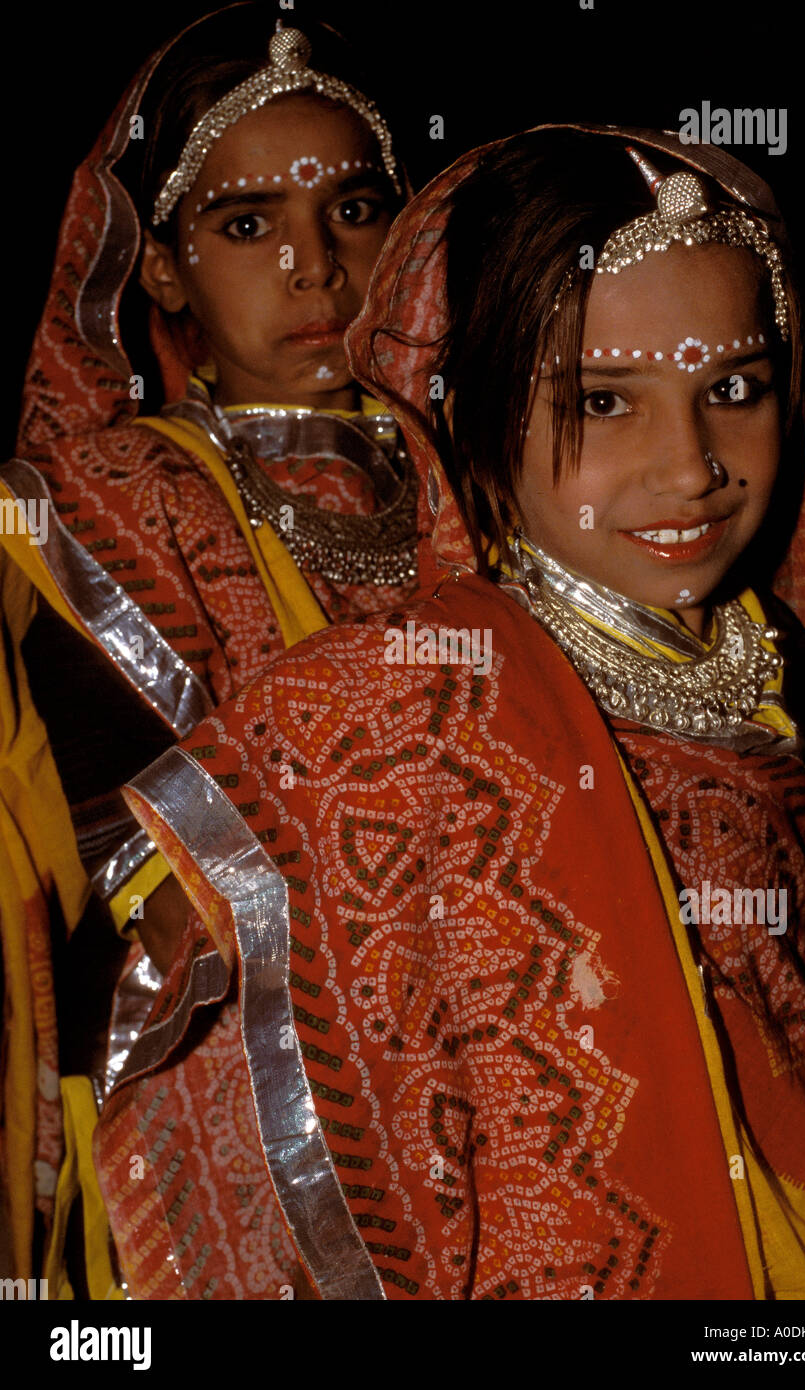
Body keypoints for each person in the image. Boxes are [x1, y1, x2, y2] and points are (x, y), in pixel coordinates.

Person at [94, 125, 805, 1300]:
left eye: (733, 387)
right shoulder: (384, 720)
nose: (691, 463)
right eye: (604, 401)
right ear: (481, 418)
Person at [0, 3, 423, 1295]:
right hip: (229, 1114)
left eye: (354, 209)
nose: (317, 265)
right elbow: (124, 862)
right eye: (249, 226)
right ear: (165, 266)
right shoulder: (104, 502)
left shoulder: (489, 487)